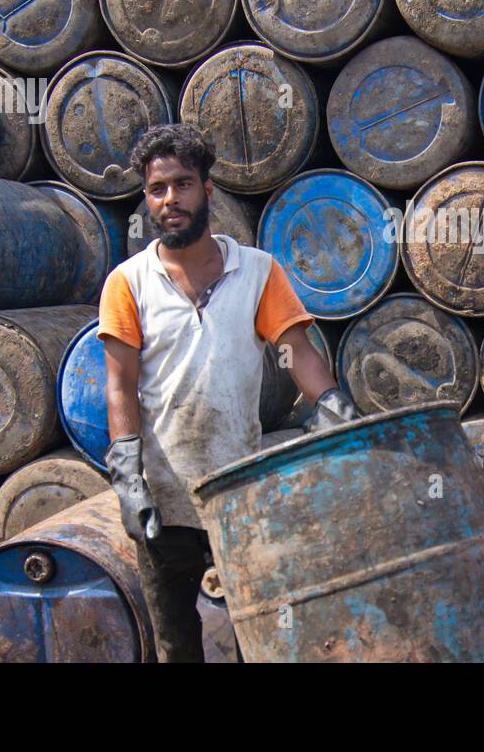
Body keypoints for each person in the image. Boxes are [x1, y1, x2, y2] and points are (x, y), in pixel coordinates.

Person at [97, 124, 359, 662]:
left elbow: (297, 353)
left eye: (183, 184)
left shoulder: (256, 271)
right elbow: (119, 384)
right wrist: (126, 473)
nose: (170, 200)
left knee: (258, 633)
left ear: (208, 190)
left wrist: (335, 408)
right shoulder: (129, 282)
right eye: (157, 189)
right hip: (163, 495)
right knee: (175, 639)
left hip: (240, 491)